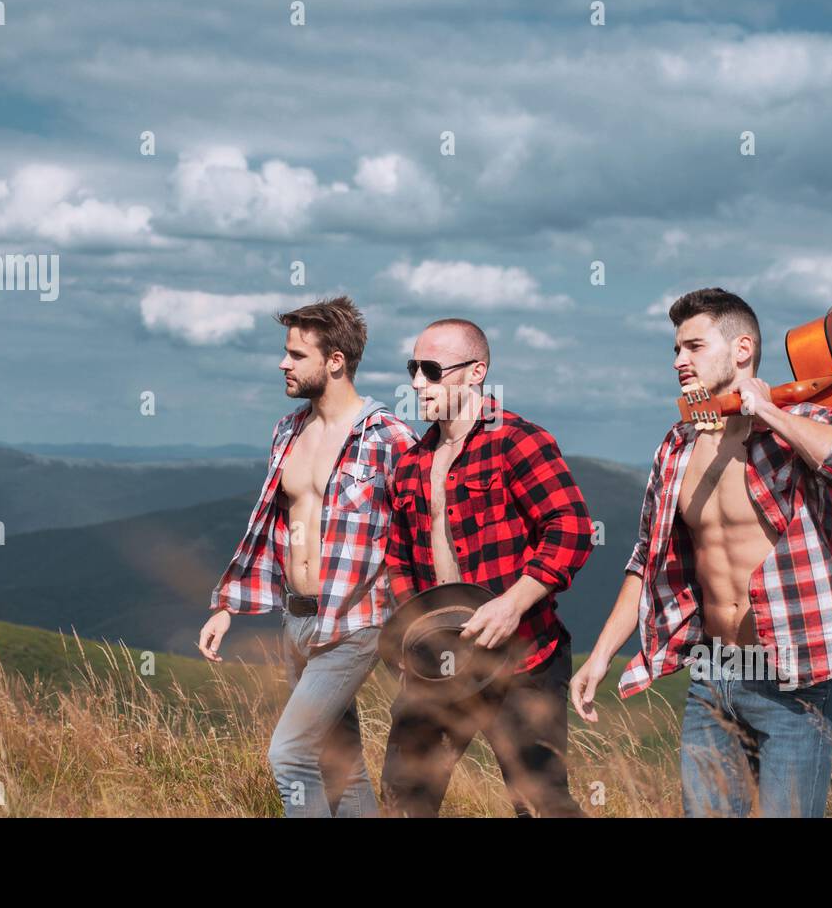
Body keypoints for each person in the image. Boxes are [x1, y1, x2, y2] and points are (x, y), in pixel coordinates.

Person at [571, 287, 832, 817]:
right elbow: (646, 561)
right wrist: (599, 658)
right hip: (714, 672)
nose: (679, 362)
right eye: (675, 350)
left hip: (794, 676)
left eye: (693, 346)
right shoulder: (677, 444)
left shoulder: (798, 425)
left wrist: (768, 412)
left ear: (742, 350)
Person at [198, 295, 417, 817]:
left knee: (289, 754)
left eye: (296, 355)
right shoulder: (287, 431)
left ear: (334, 361)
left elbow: (416, 534)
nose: (283, 363)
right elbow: (268, 528)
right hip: (295, 620)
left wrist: (423, 628)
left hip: (356, 623)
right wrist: (227, 605)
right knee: (340, 764)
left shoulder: (390, 438)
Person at [380, 318, 594, 817]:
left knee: (540, 804)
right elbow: (400, 558)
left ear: (477, 372)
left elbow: (572, 528)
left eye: (431, 371)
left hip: (523, 660)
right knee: (403, 799)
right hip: (439, 665)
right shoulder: (412, 462)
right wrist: (413, 633)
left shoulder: (518, 442)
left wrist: (511, 605)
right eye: (413, 368)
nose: (416, 384)